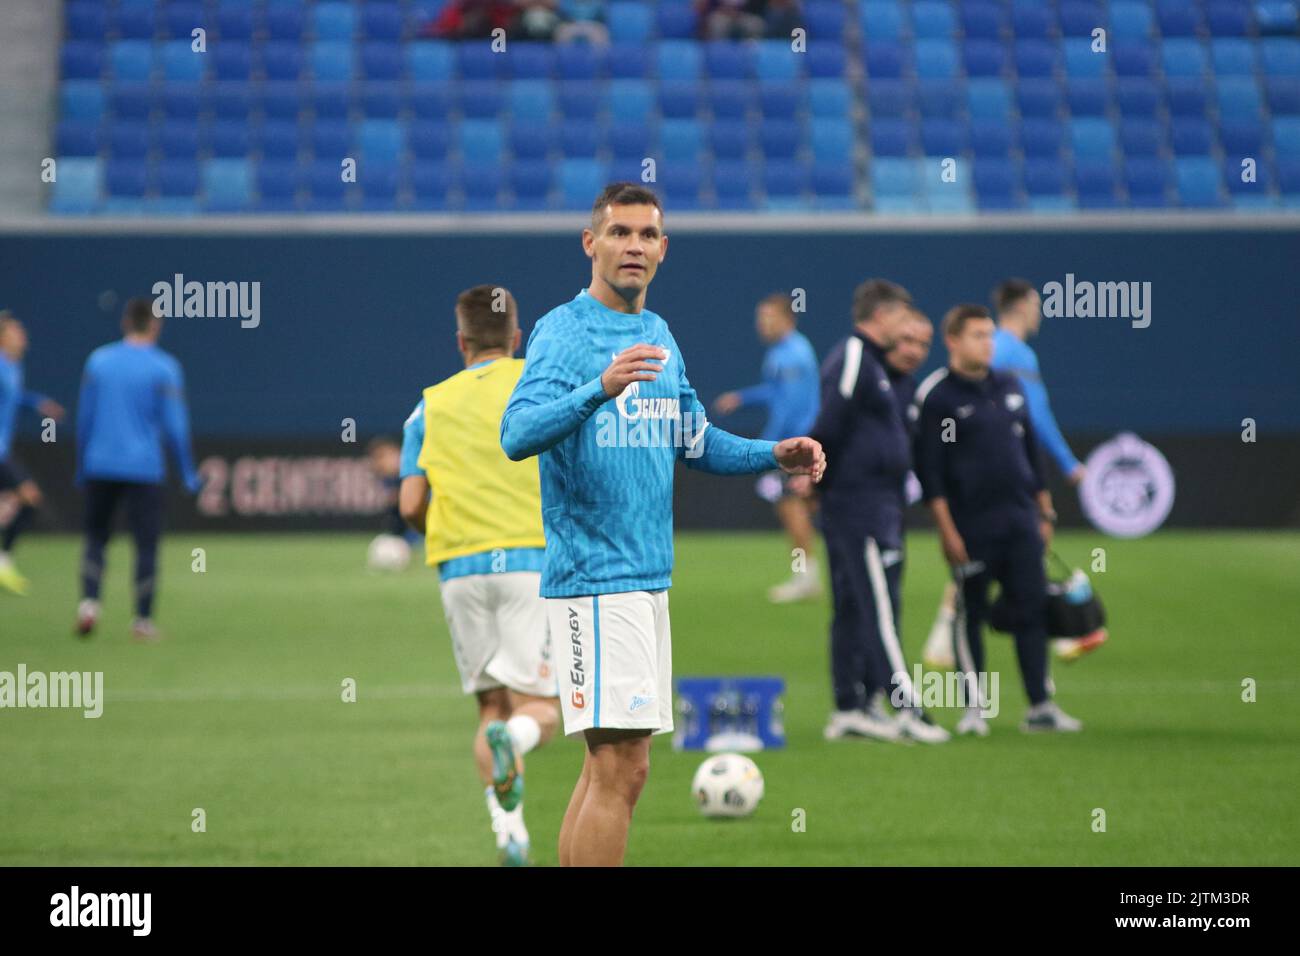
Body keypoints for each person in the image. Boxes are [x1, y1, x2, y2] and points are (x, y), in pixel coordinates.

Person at [500, 182, 825, 866]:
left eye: (647, 234)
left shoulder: (658, 334)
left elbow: (695, 440)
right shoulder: (565, 330)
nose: (634, 246)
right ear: (591, 243)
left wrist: (774, 453)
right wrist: (598, 389)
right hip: (594, 577)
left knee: (609, 770)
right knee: (623, 769)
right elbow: (516, 434)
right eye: (619, 232)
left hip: (647, 580)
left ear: (664, 249)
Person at [398, 285, 561, 867]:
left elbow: (411, 502)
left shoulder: (429, 405)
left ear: (461, 341)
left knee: (491, 705)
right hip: (529, 562)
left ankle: (507, 829)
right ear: (517, 338)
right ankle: (514, 746)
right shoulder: (540, 387)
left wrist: (442, 526)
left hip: (459, 569)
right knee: (541, 708)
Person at [913, 304, 1082, 735]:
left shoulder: (1009, 386)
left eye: (990, 335)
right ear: (952, 341)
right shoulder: (938, 397)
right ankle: (974, 710)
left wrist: (1044, 509)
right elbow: (929, 473)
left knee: (1032, 610)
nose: (988, 344)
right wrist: (946, 530)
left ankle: (1040, 706)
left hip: (1021, 520)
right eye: (977, 336)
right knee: (970, 615)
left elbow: (1029, 453)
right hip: (971, 526)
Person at [921, 279, 1104, 668]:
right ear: (1022, 306)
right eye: (1036, 304)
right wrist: (1067, 462)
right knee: (1007, 575)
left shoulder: (1005, 352)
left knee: (982, 574)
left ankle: (945, 641)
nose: (1039, 312)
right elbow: (1034, 418)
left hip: (991, 487)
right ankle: (1055, 640)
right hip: (1001, 486)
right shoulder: (1013, 355)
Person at [807, 281, 949, 745]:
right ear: (883, 316)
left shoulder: (881, 370)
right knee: (877, 607)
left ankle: (853, 707)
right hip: (856, 503)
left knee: (853, 606)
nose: (907, 333)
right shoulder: (853, 352)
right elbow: (830, 419)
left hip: (877, 505)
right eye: (902, 322)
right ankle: (905, 708)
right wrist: (814, 475)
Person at [75, 297, 200, 641]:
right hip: (144, 468)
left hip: (100, 463)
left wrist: (81, 463)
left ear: (125, 323)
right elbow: (175, 427)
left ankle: (89, 604)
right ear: (155, 325)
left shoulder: (98, 361)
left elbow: (84, 419)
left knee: (96, 537)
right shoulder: (164, 367)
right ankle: (142, 621)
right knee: (146, 545)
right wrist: (188, 470)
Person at [713, 291, 821, 602]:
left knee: (792, 508)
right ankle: (809, 575)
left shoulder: (793, 355)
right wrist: (742, 398)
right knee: (796, 507)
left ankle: (807, 578)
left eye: (769, 318)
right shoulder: (781, 352)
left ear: (788, 319)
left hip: (796, 445)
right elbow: (775, 393)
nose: (762, 324)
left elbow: (790, 406)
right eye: (760, 318)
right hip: (794, 442)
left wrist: (769, 449)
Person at [0, 312, 65, 596]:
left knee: (29, 500)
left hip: (3, 449)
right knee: (30, 497)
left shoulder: (13, 367)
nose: (23, 336)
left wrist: (38, 403)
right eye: (17, 331)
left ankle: (4, 561)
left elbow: (15, 397)